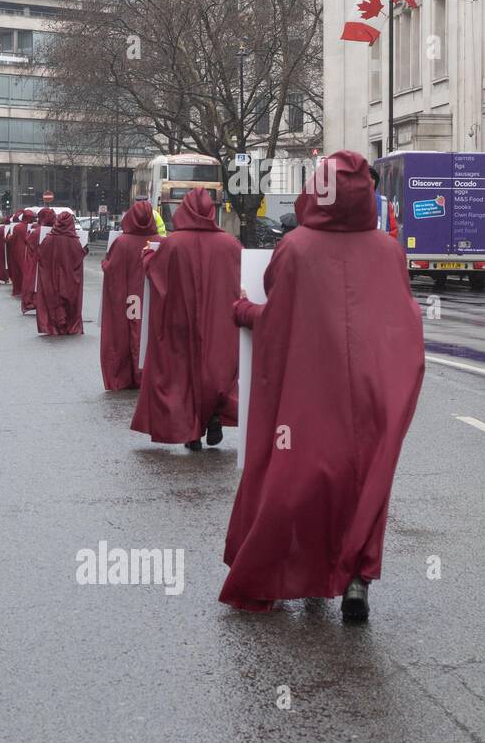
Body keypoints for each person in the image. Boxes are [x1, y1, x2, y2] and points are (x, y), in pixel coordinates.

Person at [220, 152, 424, 620]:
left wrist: (243, 311)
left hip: (310, 397)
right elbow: (404, 320)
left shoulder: (296, 247)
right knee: (364, 483)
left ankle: (307, 571)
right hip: (371, 395)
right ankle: (357, 578)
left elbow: (276, 319)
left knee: (304, 481)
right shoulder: (388, 252)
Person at [130, 188, 240, 451]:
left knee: (183, 372)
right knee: (216, 370)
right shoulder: (230, 244)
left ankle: (192, 430)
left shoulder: (174, 243)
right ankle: (213, 414)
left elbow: (155, 272)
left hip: (180, 318)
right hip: (218, 320)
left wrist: (146, 255)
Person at [99, 200, 158, 390]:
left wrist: (105, 263)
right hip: (150, 302)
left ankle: (127, 376)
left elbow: (111, 269)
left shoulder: (122, 242)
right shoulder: (160, 242)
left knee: (126, 336)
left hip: (128, 301)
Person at [34, 209, 88, 336]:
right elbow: (79, 257)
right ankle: (70, 325)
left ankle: (55, 325)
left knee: (53, 299)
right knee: (71, 301)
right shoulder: (75, 241)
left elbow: (40, 256)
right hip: (69, 279)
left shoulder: (48, 239)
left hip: (52, 277)